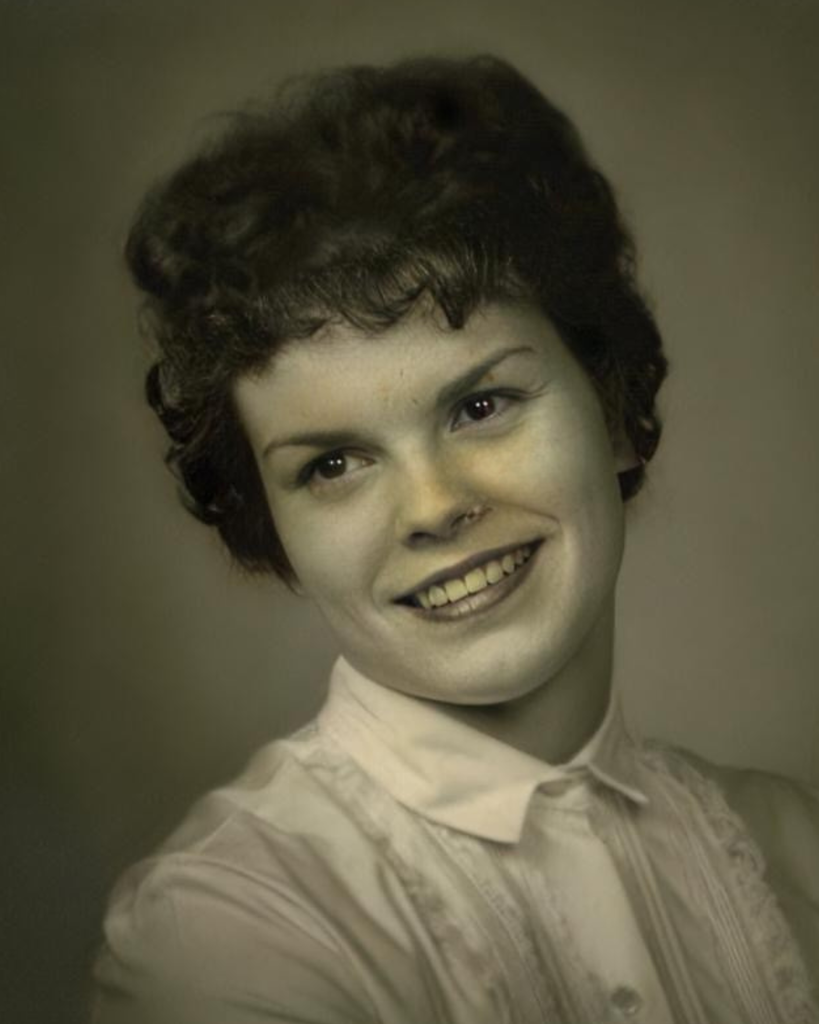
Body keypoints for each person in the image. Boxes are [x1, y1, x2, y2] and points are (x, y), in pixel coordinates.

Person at [92, 55, 819, 1023]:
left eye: (480, 406)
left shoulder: (793, 850)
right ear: (274, 530)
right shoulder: (225, 935)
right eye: (333, 464)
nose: (433, 506)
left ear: (610, 409)